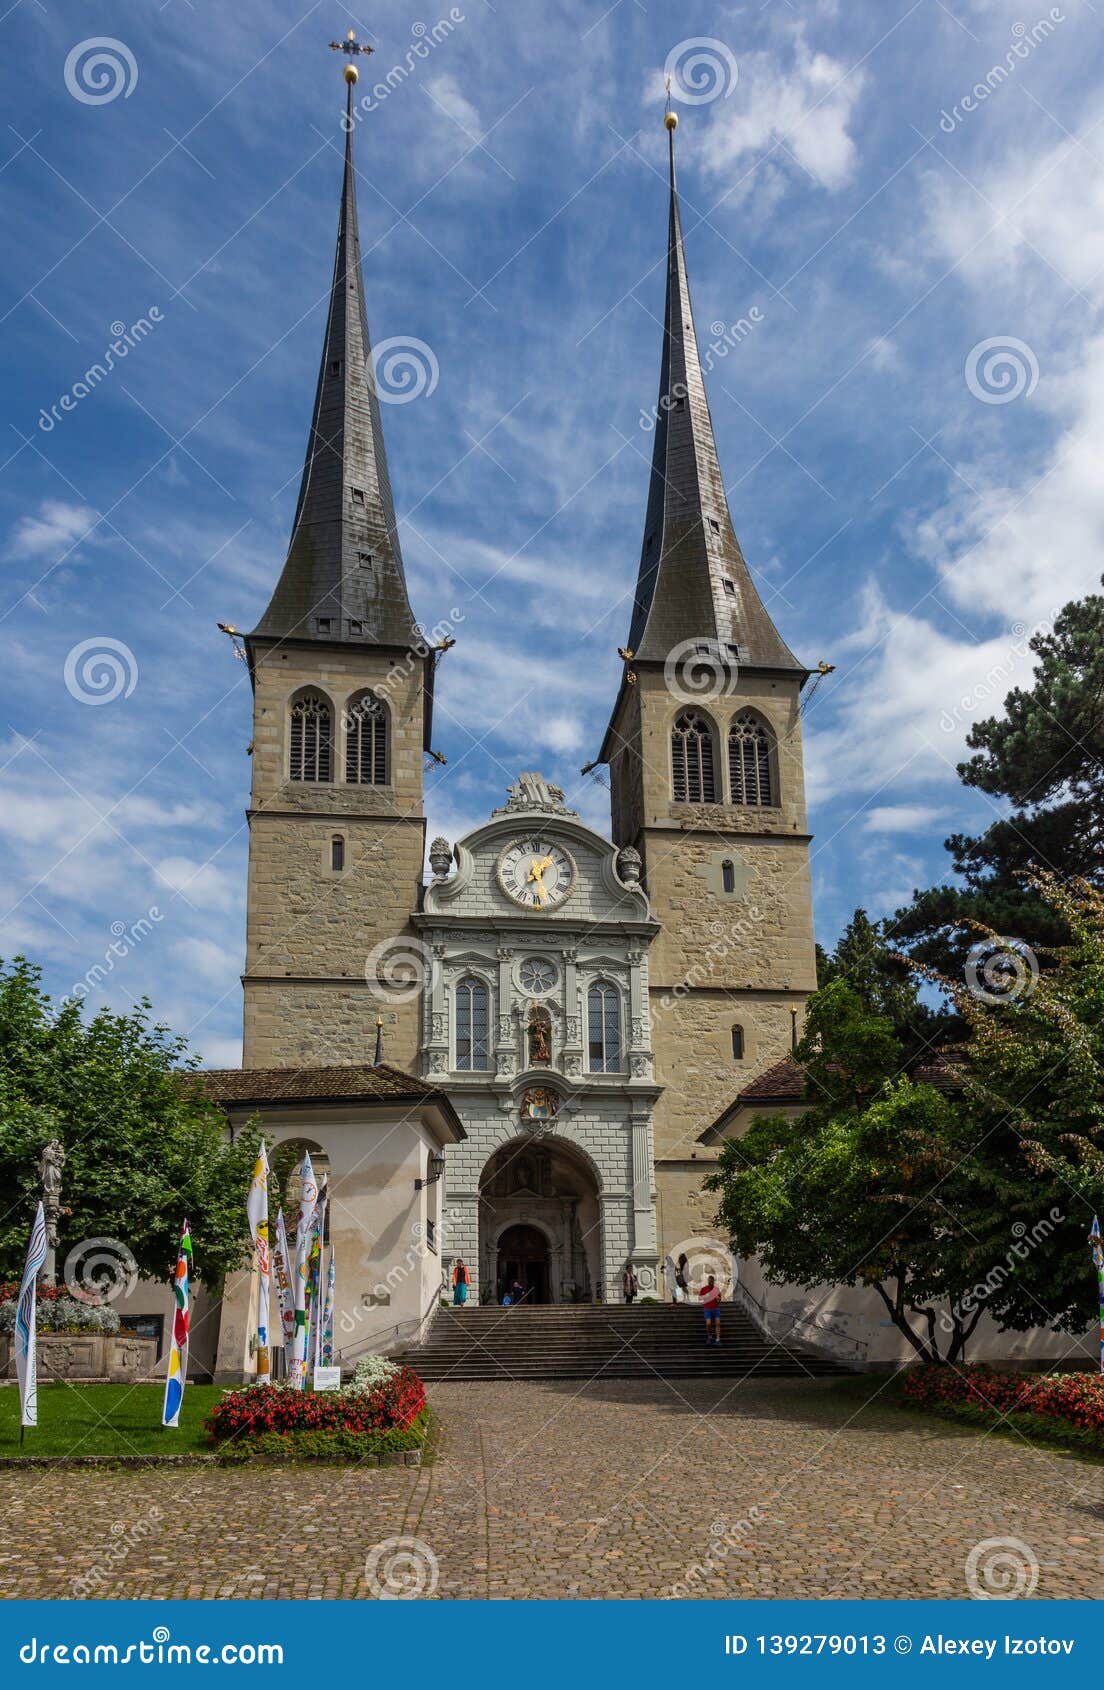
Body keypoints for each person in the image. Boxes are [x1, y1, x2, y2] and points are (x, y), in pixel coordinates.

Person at [699, 1273, 723, 1346]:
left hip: (715, 1308)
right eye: (709, 1281)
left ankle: (718, 1339)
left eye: (712, 1281)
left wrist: (718, 1298)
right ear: (708, 1281)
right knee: (708, 1324)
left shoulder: (716, 1289)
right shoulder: (704, 1289)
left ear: (713, 1281)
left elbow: (719, 1299)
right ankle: (710, 1336)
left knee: (718, 1323)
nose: (710, 1282)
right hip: (707, 1308)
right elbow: (699, 1298)